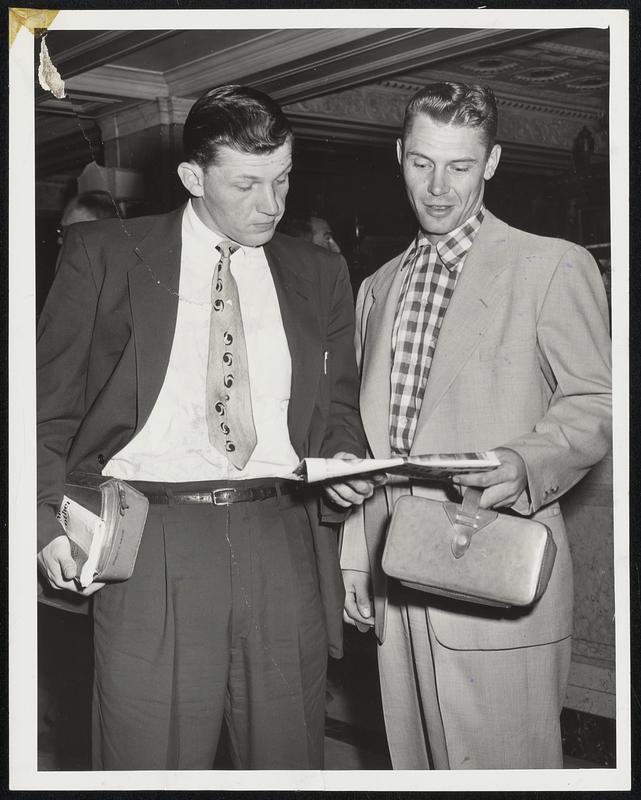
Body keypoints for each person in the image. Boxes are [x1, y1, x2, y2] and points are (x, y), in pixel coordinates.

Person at [36, 84, 368, 770]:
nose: (271, 204)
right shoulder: (102, 254)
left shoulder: (321, 272)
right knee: (144, 760)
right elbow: (45, 412)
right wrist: (44, 526)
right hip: (150, 542)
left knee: (287, 758)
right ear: (192, 176)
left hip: (280, 537)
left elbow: (336, 410)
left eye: (281, 180)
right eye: (246, 184)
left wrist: (344, 465)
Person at [337, 82, 612, 770]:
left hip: (494, 567)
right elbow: (373, 445)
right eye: (421, 163)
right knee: (414, 767)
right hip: (395, 578)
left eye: (459, 167)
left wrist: (524, 463)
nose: (437, 187)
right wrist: (353, 554)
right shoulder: (375, 287)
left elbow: (597, 402)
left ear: (490, 163)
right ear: (398, 154)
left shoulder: (550, 266)